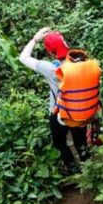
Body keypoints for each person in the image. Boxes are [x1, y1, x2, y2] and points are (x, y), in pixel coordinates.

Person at [19, 27, 88, 175]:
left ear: (50, 52)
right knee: (80, 141)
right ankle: (88, 168)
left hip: (59, 114)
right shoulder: (81, 61)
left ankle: (72, 168)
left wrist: (35, 39)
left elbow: (23, 58)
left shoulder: (49, 68)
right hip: (80, 110)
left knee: (59, 142)